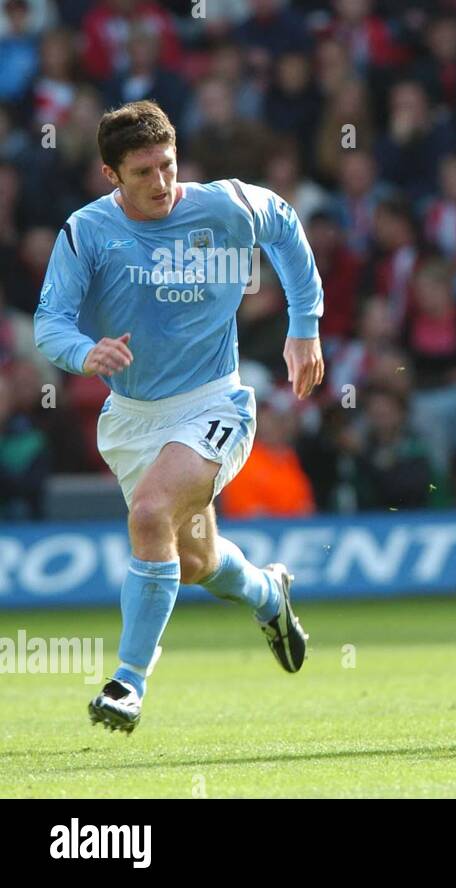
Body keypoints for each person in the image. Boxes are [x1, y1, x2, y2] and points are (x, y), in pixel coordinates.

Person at [32, 100, 325, 734]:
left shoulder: (223, 205)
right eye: (142, 173)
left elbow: (285, 225)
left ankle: (127, 684)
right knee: (191, 562)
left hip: (215, 402)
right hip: (134, 417)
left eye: (167, 165)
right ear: (111, 175)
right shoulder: (87, 232)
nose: (162, 183)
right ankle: (268, 595)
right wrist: (86, 352)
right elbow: (49, 324)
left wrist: (305, 328)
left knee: (150, 513)